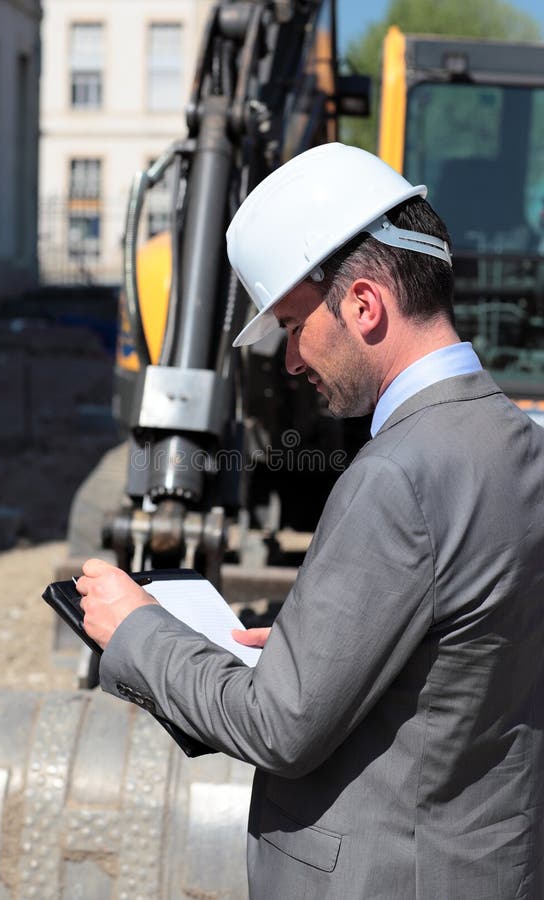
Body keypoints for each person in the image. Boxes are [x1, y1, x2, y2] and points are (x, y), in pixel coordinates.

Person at [76, 143, 544, 899]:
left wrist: (135, 630)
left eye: (293, 324)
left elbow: (278, 729)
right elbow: (471, 661)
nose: (291, 360)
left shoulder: (396, 476)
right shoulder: (523, 443)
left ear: (364, 304)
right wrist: (320, 647)